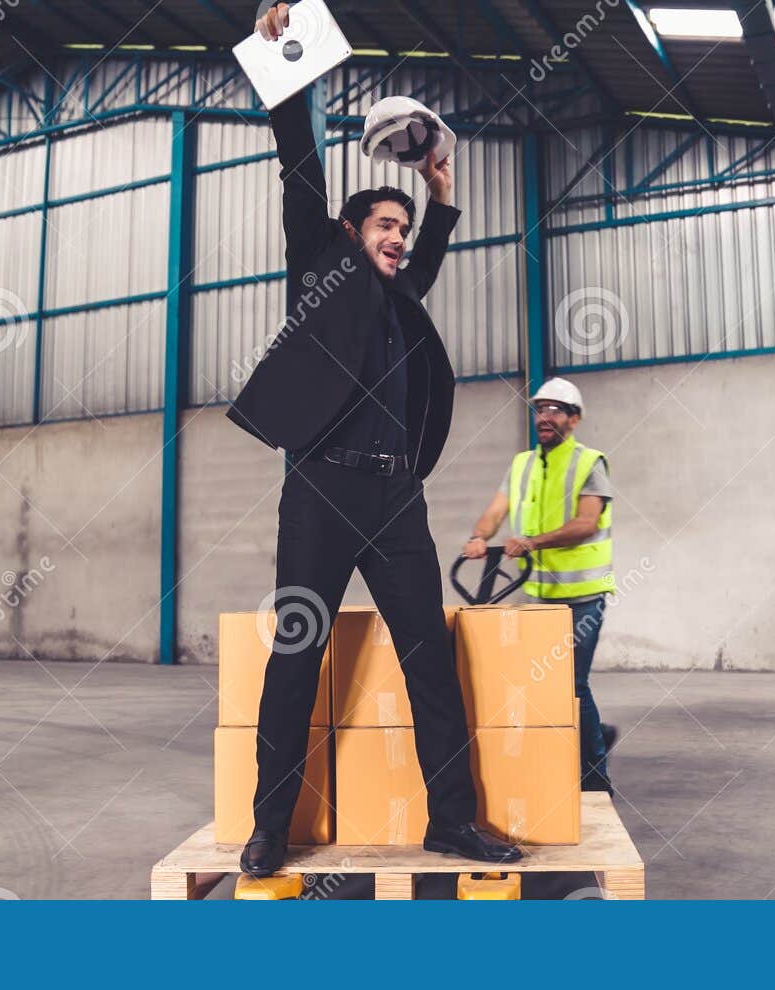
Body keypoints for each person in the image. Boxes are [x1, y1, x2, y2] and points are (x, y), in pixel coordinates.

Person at [226, 2, 521, 878]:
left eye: (403, 229)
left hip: (396, 500)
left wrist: (441, 190)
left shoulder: (400, 300)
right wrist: (288, 58)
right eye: (384, 227)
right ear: (351, 233)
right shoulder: (321, 270)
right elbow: (300, 164)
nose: (397, 239)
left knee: (431, 659)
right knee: (296, 658)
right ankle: (269, 829)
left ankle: (452, 821)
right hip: (320, 490)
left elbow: (426, 259)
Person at [463, 377, 618, 792]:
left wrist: (532, 542)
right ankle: (594, 734)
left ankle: (596, 778)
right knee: (544, 683)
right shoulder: (522, 465)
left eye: (555, 410)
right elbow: (496, 511)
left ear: (574, 419)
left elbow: (586, 523)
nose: (544, 417)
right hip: (540, 596)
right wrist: (479, 537)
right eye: (539, 409)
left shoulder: (590, 463)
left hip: (583, 596)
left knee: (572, 685)